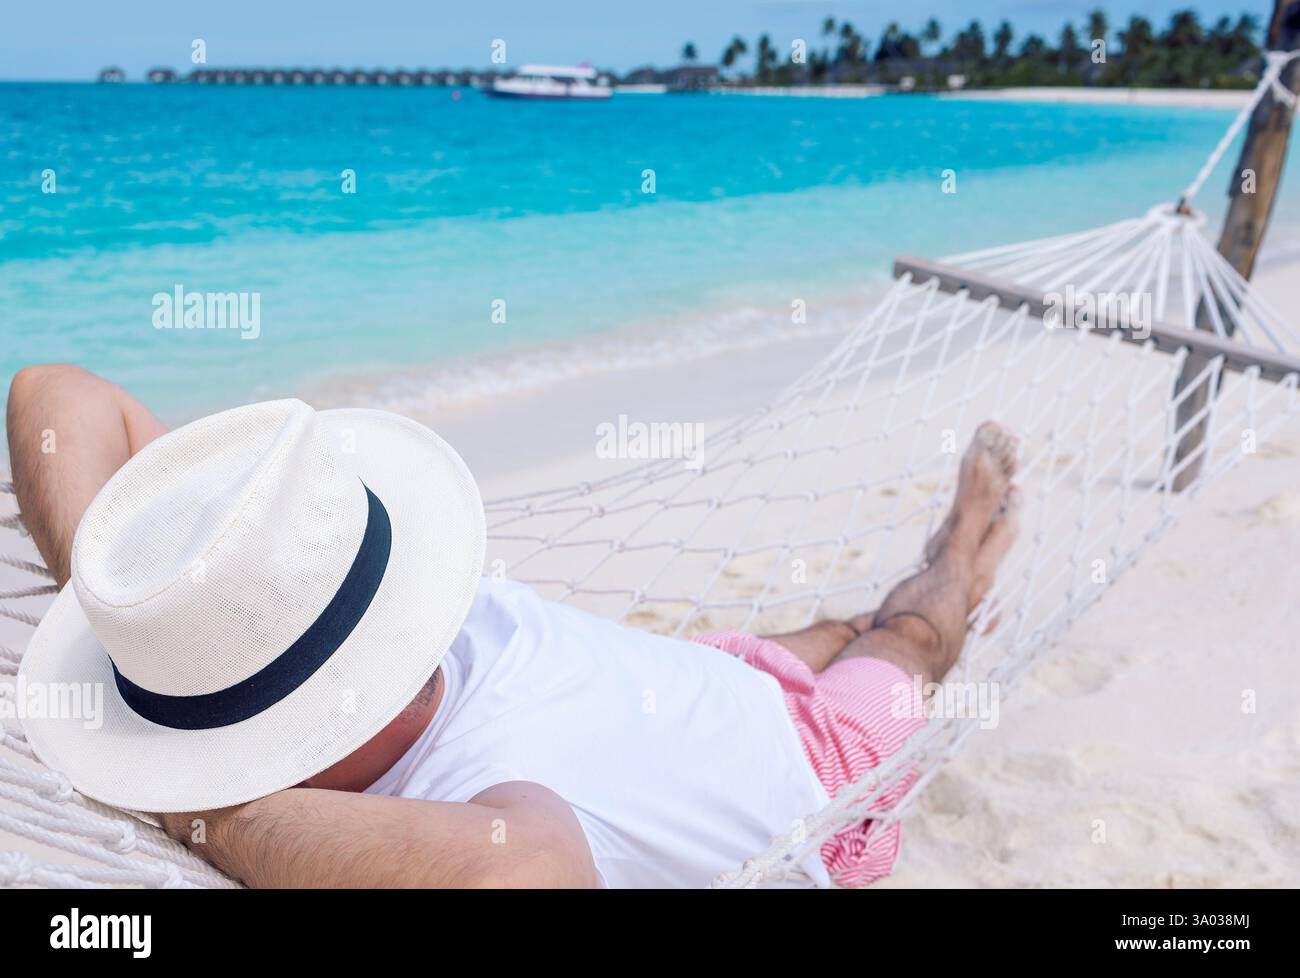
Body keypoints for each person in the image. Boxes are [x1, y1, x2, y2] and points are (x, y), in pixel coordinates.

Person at [7, 363, 1020, 888]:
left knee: (891, 635)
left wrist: (126, 602)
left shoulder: (289, 593)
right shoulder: (487, 801)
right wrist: (146, 617)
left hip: (727, 701)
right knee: (899, 642)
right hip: (805, 764)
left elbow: (52, 393)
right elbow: (519, 873)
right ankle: (940, 565)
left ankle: (955, 549)